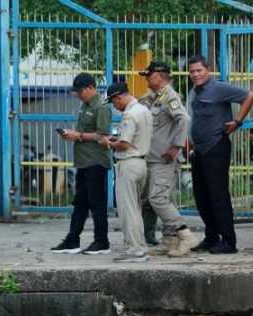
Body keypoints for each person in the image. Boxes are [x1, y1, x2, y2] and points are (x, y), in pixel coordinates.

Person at [187, 54, 253, 254]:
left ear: (208, 70)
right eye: (192, 71)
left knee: (218, 195)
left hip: (216, 148)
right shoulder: (193, 91)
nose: (196, 74)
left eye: (199, 70)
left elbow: (249, 96)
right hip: (198, 150)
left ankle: (228, 241)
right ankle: (211, 236)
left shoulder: (219, 88)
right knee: (201, 196)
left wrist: (238, 121)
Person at [138, 61, 197, 257]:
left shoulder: (169, 96)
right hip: (153, 157)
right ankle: (170, 241)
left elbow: (184, 119)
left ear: (160, 76)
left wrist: (176, 146)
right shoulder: (156, 97)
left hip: (164, 159)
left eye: (149, 75)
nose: (146, 78)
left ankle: (185, 235)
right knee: (158, 198)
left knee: (158, 198)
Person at [51, 73, 112, 255]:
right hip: (83, 161)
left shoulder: (100, 107)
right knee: (80, 203)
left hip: (96, 161)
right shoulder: (84, 106)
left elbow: (103, 136)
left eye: (80, 91)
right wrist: (72, 134)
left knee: (97, 203)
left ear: (90, 88)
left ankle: (102, 241)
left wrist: (78, 136)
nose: (78, 95)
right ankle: (72, 239)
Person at [99, 81, 153, 262]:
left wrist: (109, 143)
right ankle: (140, 247)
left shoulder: (130, 114)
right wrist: (117, 139)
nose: (115, 106)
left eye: (114, 102)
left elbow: (125, 144)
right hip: (141, 163)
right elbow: (135, 137)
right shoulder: (143, 110)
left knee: (128, 210)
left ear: (119, 97)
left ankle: (135, 250)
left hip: (129, 164)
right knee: (135, 209)